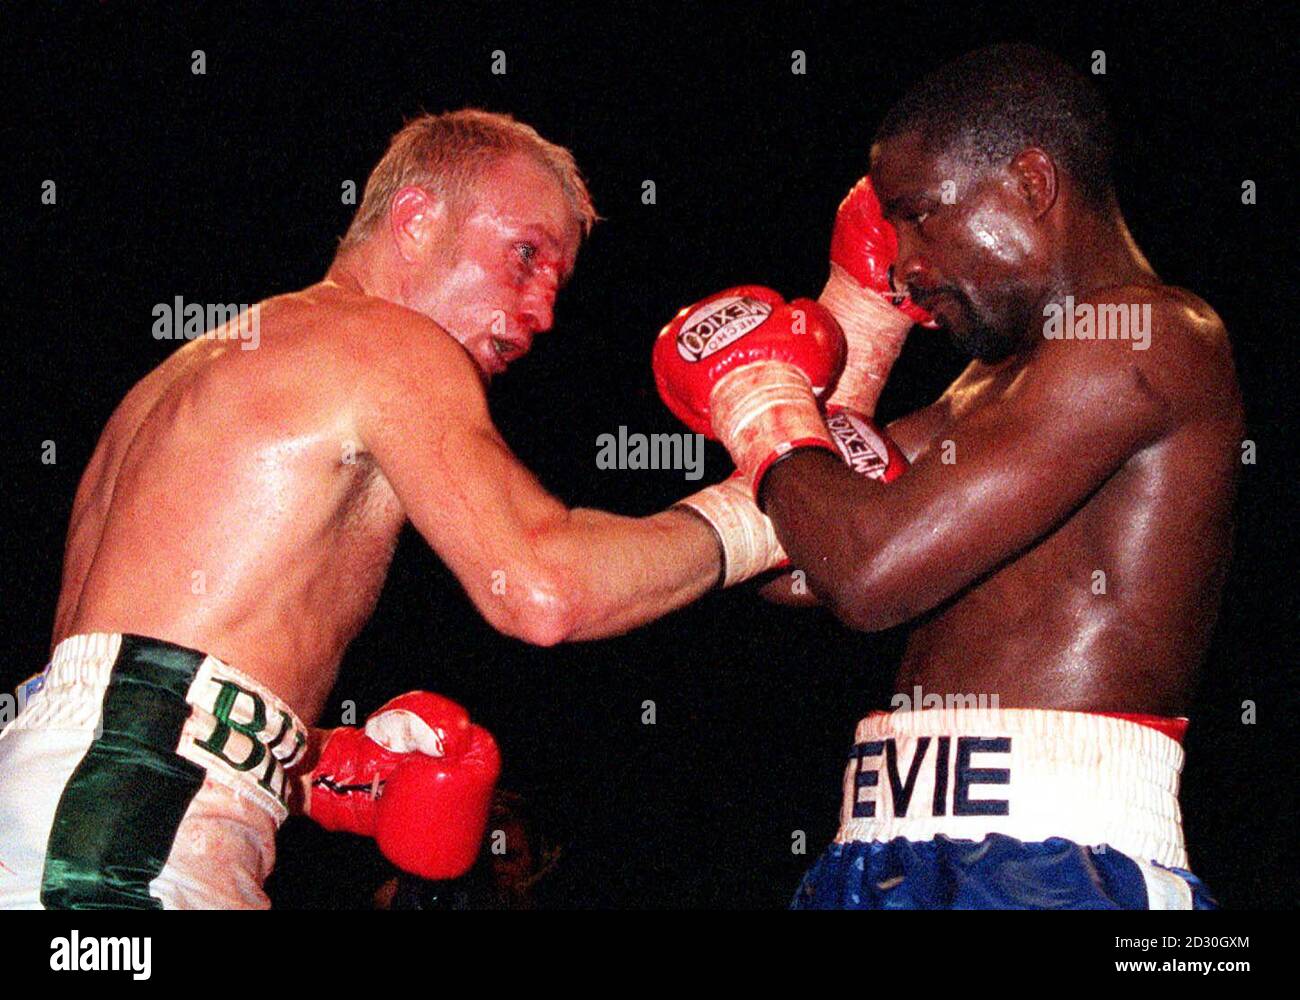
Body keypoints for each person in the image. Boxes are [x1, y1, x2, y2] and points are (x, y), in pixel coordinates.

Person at [0, 109, 779, 909]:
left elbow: (131, 687)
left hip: (81, 811)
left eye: (558, 281)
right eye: (525, 254)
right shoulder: (386, 342)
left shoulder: (187, 376)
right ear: (415, 220)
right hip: (113, 845)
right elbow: (544, 589)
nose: (543, 311)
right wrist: (762, 507)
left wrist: (337, 773)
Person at [653, 44, 1240, 909]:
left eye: (921, 216)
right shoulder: (984, 387)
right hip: (881, 848)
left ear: (1032, 184)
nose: (904, 264)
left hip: (1060, 862)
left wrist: (760, 397)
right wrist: (840, 367)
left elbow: (870, 570)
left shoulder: (1149, 335)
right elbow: (798, 562)